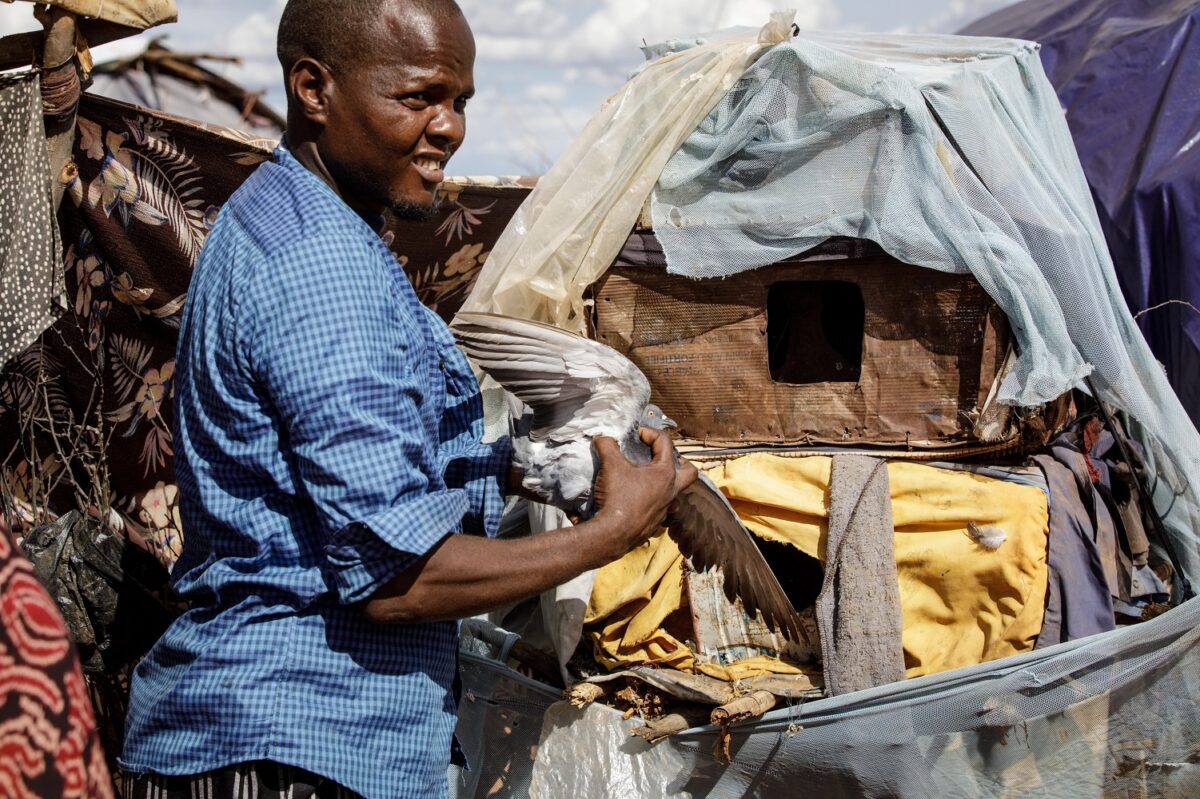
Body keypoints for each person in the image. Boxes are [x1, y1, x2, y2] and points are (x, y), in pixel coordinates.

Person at [117, 1, 695, 797]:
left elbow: (343, 482)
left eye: (459, 101)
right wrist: (612, 530)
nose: (449, 127)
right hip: (298, 744)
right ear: (314, 88)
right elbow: (399, 581)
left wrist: (516, 467)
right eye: (419, 97)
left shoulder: (294, 219)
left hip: (271, 734)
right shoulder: (324, 268)